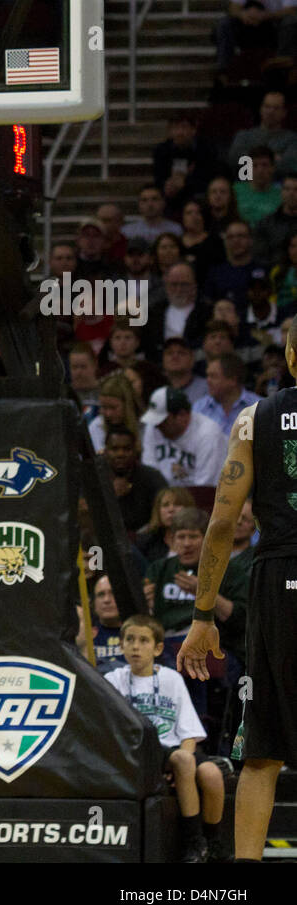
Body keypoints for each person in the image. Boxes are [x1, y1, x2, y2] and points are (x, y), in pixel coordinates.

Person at [177, 324, 297, 861]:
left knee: (263, 752)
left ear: (290, 356)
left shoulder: (254, 418)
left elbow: (223, 521)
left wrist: (203, 615)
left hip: (278, 581)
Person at [107, 615, 226, 862]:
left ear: (158, 648)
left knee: (212, 774)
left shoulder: (171, 679)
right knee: (183, 760)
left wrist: (186, 762)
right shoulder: (113, 680)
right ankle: (192, 842)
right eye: (129, 640)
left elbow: (189, 733)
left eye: (143, 640)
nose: (135, 646)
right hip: (139, 751)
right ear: (121, 646)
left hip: (174, 750)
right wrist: (181, 761)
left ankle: (212, 844)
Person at [145, 507, 248, 656]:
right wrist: (146, 604)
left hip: (214, 647)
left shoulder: (229, 571)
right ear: (171, 541)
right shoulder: (159, 569)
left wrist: (205, 593)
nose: (187, 544)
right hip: (165, 645)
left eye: (193, 537)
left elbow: (241, 619)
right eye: (181, 537)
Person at [140, 386, 227, 487]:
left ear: (182, 415)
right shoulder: (153, 426)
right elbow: (150, 473)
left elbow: (205, 488)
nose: (157, 426)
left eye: (163, 421)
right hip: (163, 496)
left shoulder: (208, 435)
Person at [193, 353, 260, 436]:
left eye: (213, 376)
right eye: (208, 376)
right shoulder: (199, 408)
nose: (208, 381)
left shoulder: (260, 408)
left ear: (233, 380)